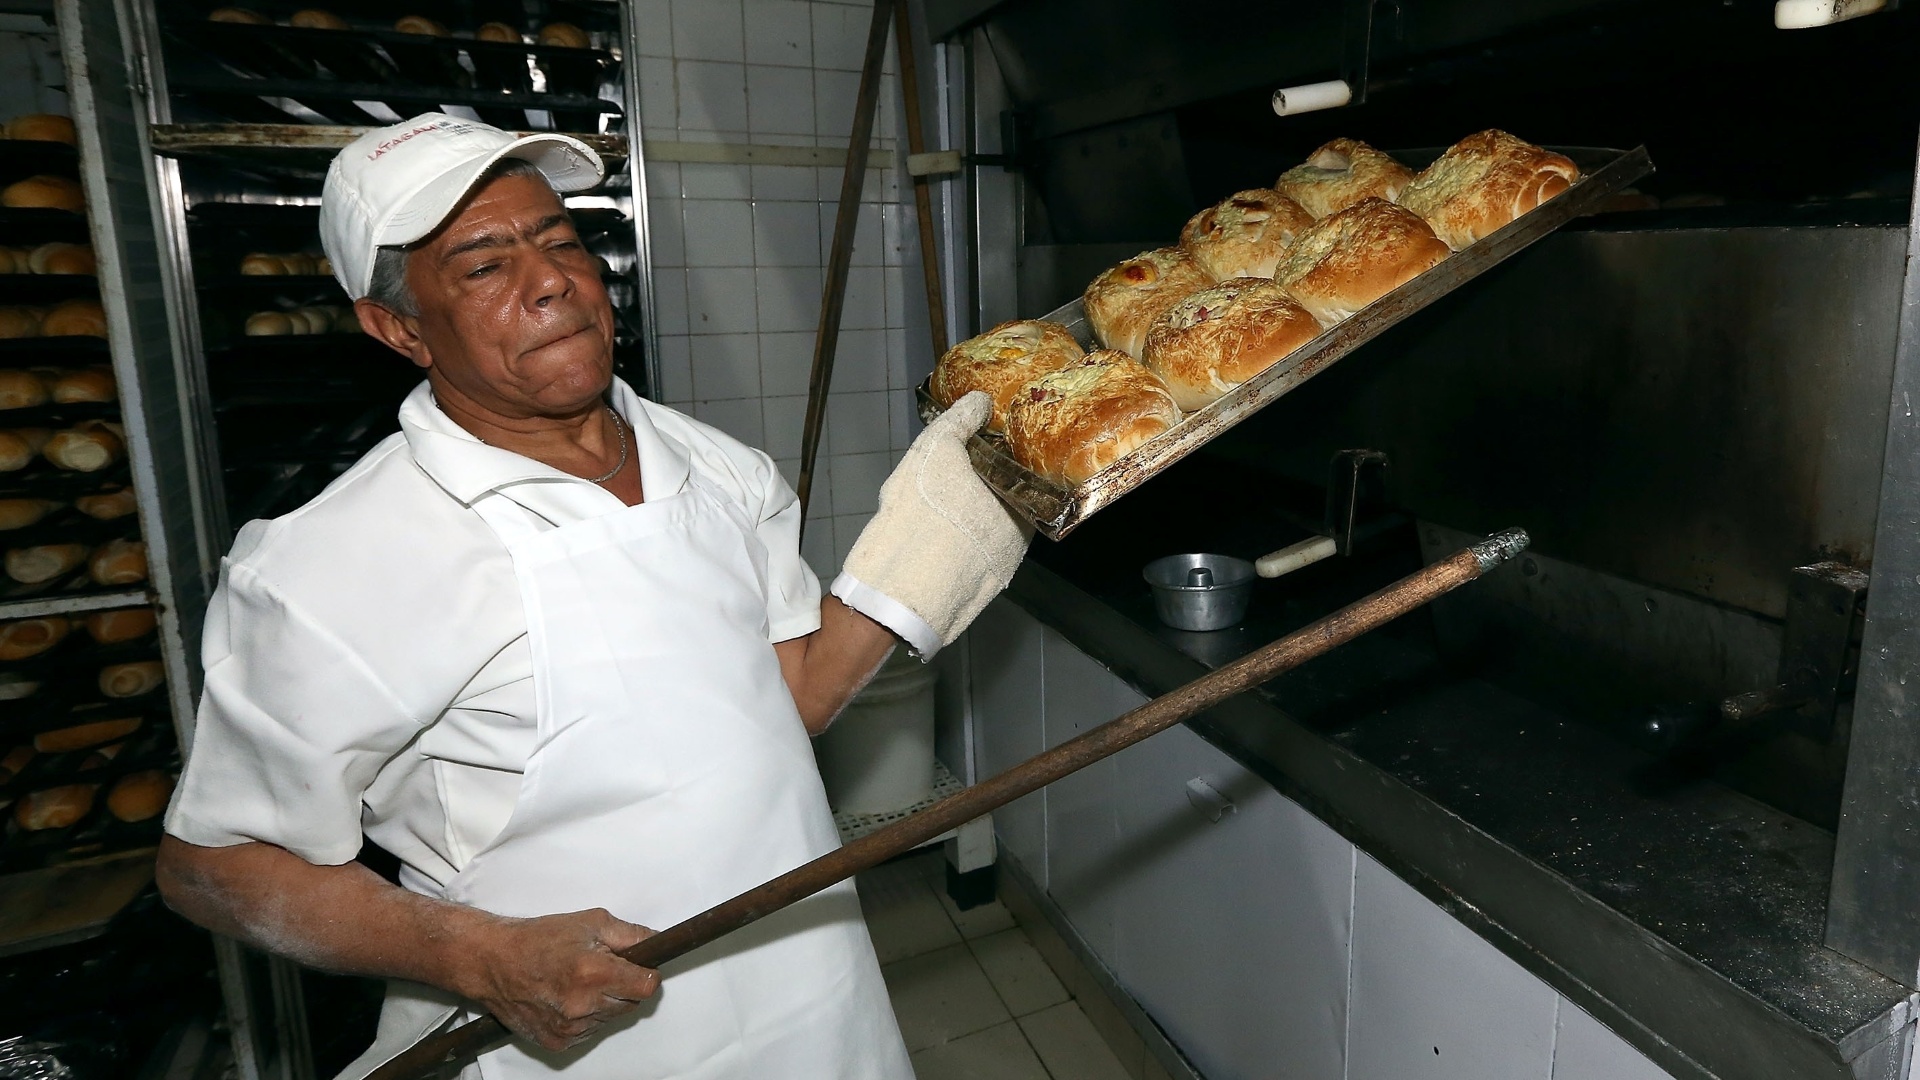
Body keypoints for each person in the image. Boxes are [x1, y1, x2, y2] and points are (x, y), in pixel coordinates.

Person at [154, 114, 1028, 1080]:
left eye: (561, 239)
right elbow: (213, 866)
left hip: (808, 991)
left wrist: (941, 535)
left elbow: (787, 704)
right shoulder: (330, 565)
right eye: (484, 265)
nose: (550, 280)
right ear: (398, 327)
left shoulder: (717, 469)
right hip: (569, 1049)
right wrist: (477, 957)